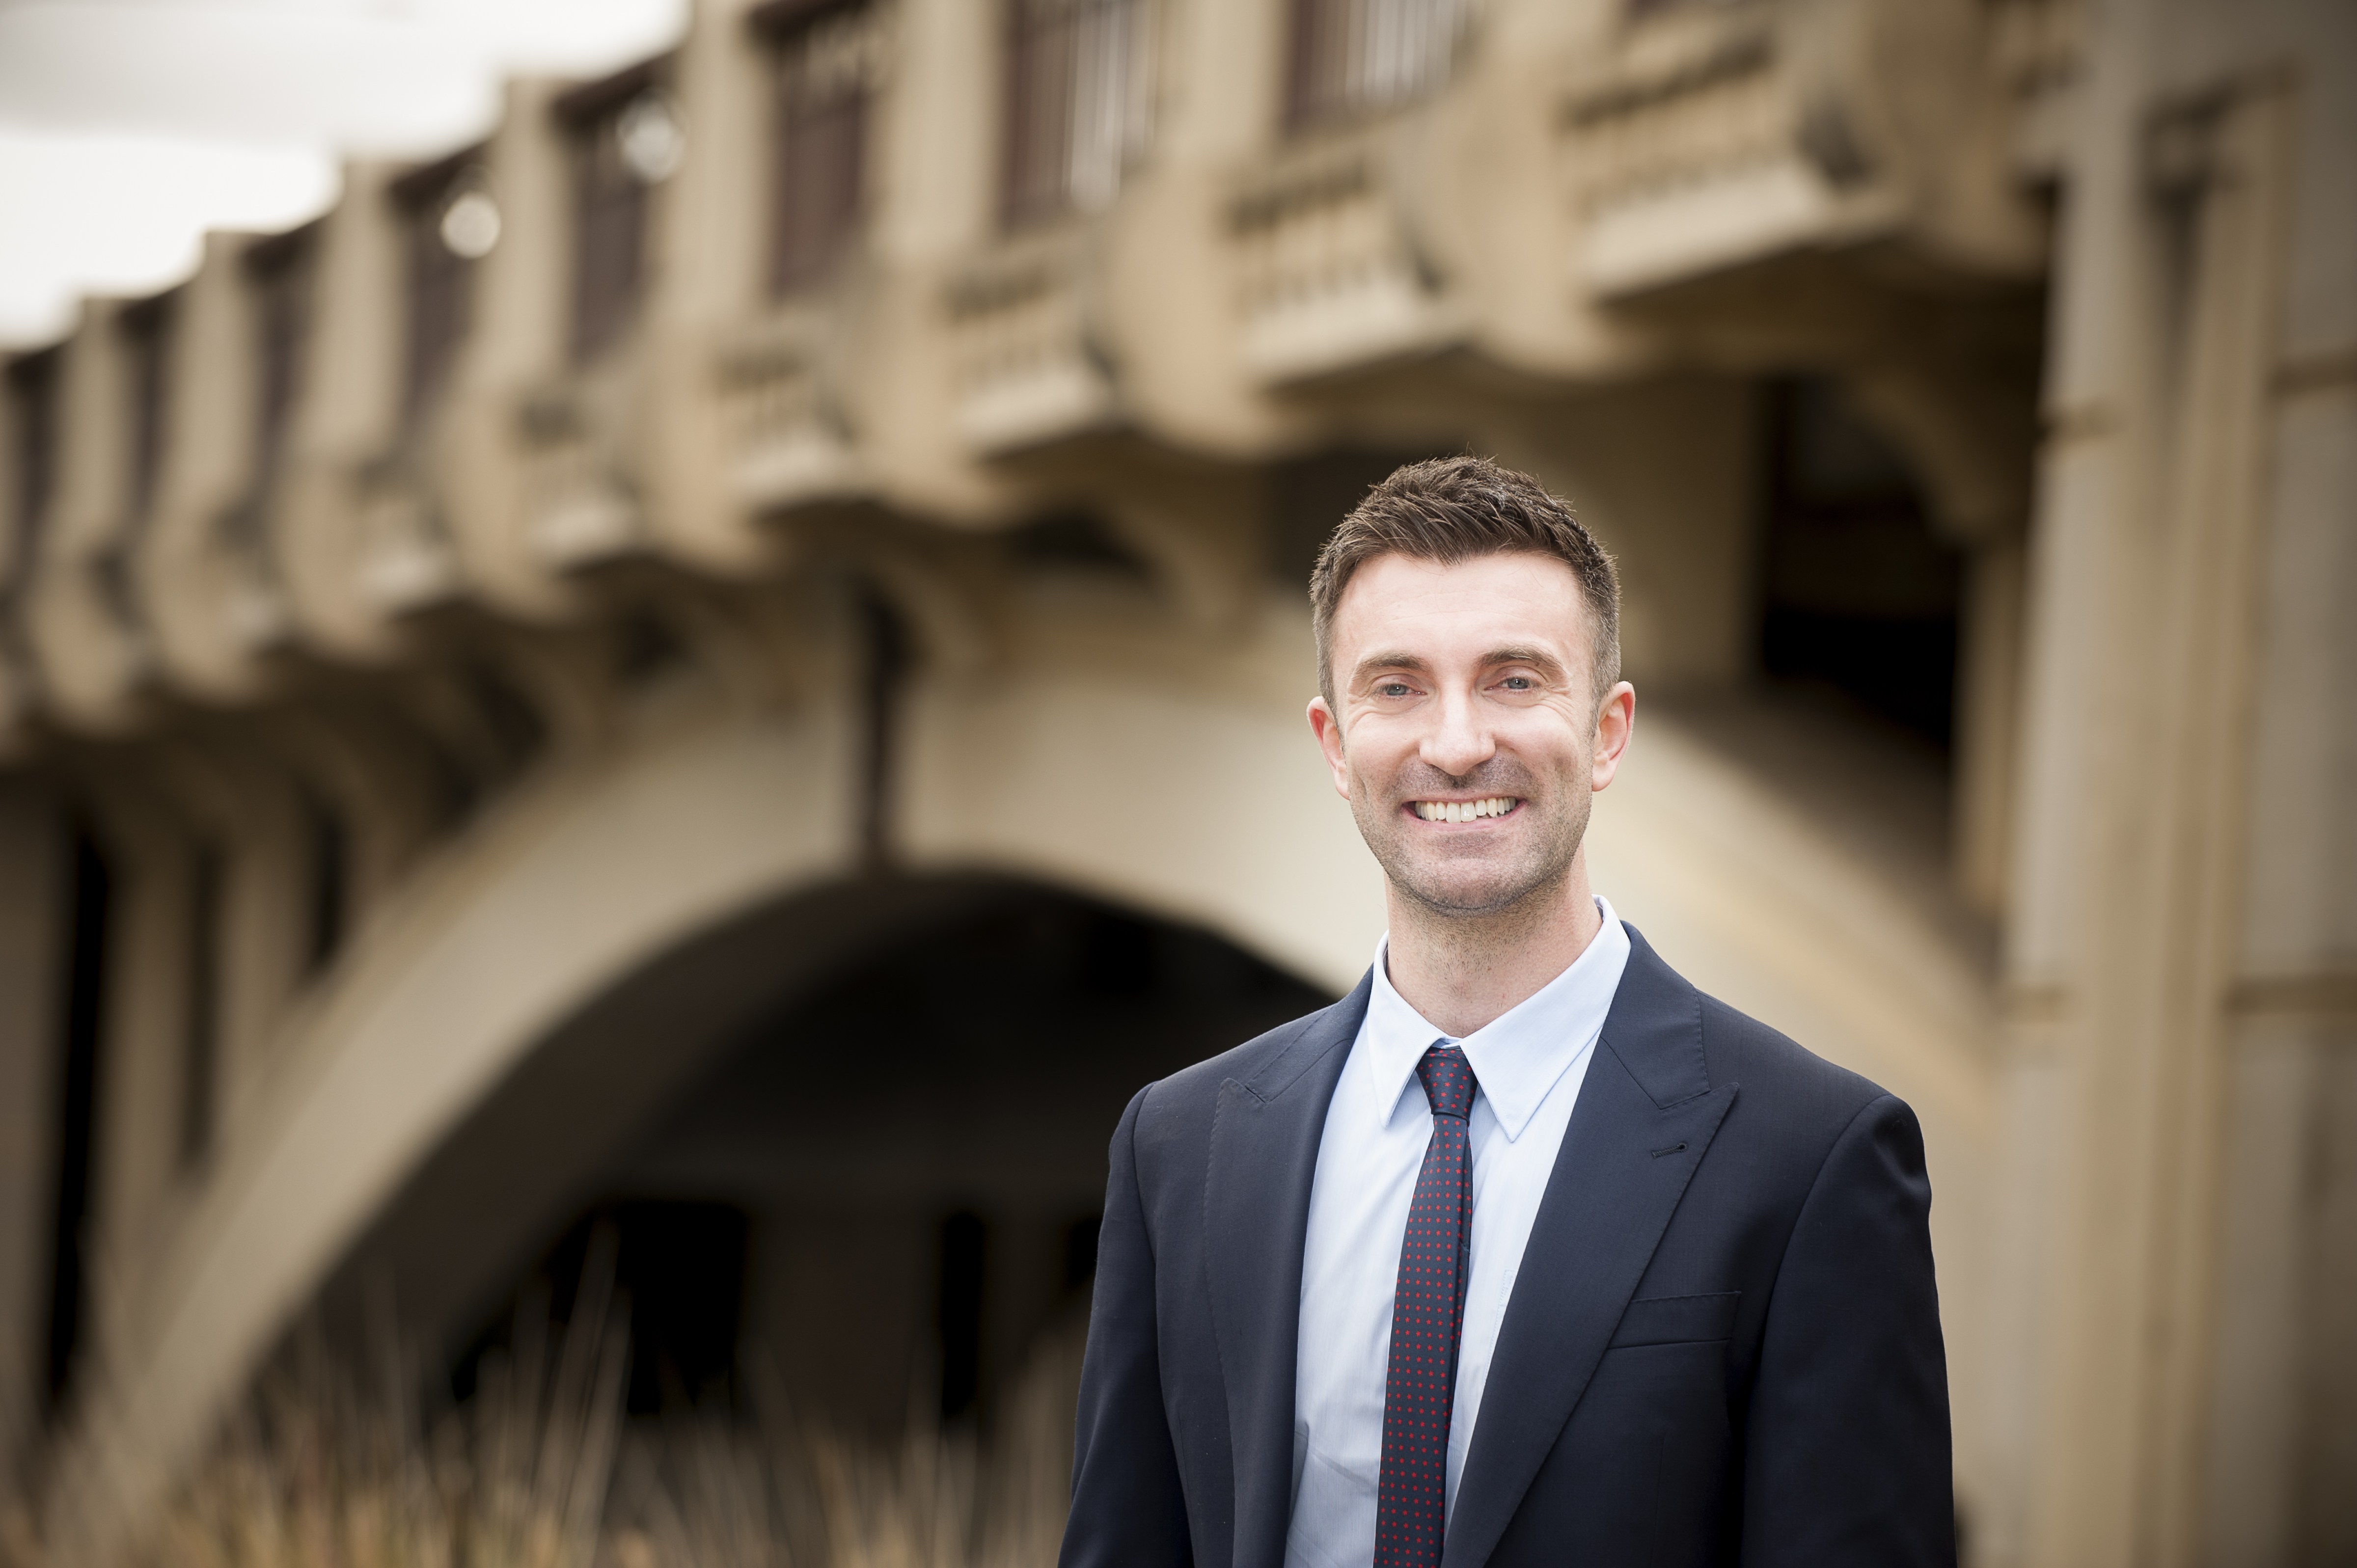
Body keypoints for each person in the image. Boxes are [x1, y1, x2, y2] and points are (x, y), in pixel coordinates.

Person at [1057, 456, 1953, 1568]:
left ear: (1609, 730)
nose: (1454, 744)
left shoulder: (1814, 1158)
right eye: (1397, 687)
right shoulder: (1180, 1145)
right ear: (1335, 744)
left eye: (1515, 680)